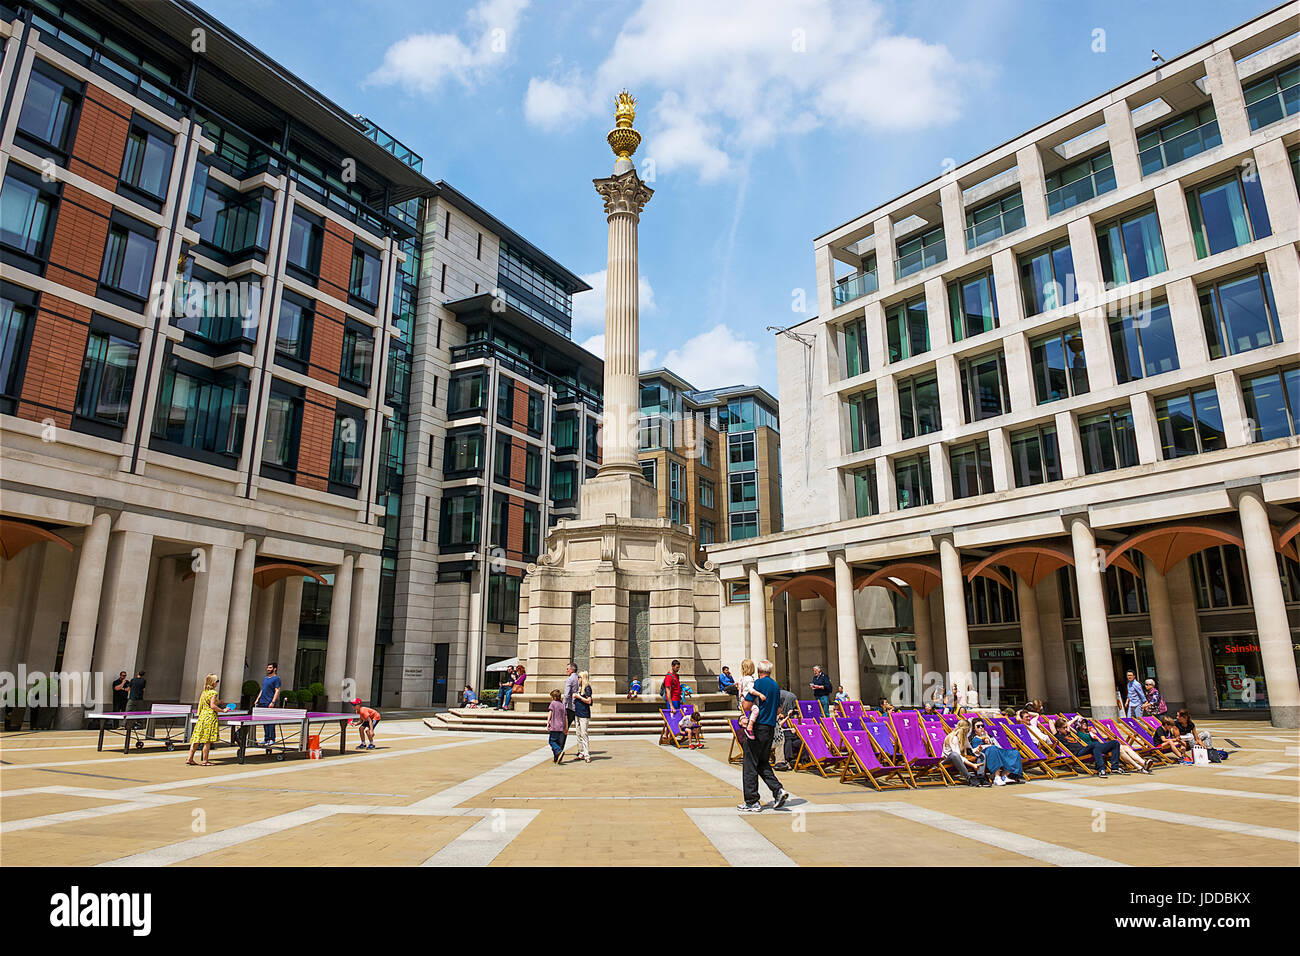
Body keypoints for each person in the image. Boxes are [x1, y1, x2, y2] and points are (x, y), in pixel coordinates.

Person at [738, 660, 793, 812]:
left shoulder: (759, 684)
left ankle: (752, 801)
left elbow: (746, 706)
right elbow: (778, 708)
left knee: (749, 763)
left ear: (759, 671)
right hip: (770, 727)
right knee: (762, 762)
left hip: (758, 727)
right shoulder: (775, 686)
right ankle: (778, 791)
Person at [1053, 717, 1120, 776]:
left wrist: (1066, 723)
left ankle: (1114, 767)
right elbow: (1050, 721)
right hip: (1078, 753)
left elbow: (1068, 726)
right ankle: (1101, 769)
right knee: (1094, 744)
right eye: (1064, 728)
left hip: (1085, 749)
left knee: (1115, 743)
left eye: (1066, 727)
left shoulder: (1069, 732)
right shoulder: (1057, 736)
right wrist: (1057, 721)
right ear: (1058, 729)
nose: (1066, 729)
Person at [969, 717, 1024, 785]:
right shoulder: (973, 738)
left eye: (982, 726)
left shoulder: (989, 736)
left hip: (995, 750)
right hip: (985, 754)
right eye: (978, 726)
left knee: (1015, 753)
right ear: (974, 729)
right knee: (993, 749)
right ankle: (997, 777)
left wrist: (989, 740)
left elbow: (998, 746)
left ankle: (1005, 775)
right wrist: (985, 746)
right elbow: (973, 750)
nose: (981, 728)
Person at [185, 674, 222, 766]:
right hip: (210, 717)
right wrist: (222, 710)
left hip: (202, 716)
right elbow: (212, 706)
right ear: (213, 683)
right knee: (207, 740)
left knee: (197, 738)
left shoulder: (204, 692)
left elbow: (204, 704)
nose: (217, 683)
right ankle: (205, 760)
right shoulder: (213, 693)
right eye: (217, 681)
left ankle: (190, 758)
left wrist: (217, 702)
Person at [942, 719, 986, 786]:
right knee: (955, 755)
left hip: (960, 758)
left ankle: (981, 777)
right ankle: (969, 777)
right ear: (965, 730)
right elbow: (958, 755)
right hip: (948, 759)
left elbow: (970, 750)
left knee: (981, 754)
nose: (968, 732)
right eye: (968, 730)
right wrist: (972, 765)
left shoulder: (964, 737)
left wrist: (977, 750)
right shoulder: (953, 738)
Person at [253, 662, 282, 748]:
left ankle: (271, 738)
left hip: (269, 702)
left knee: (270, 721)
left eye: (270, 668)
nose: (268, 669)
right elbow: (263, 689)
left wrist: (273, 702)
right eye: (268, 668)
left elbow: (277, 690)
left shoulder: (276, 679)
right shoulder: (265, 678)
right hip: (262, 702)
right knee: (264, 721)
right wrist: (257, 699)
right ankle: (266, 738)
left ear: (274, 669)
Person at [737, 659, 762, 739]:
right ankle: (750, 727)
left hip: (742, 699)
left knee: (751, 713)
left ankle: (751, 723)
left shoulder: (742, 678)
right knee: (756, 710)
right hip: (747, 700)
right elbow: (751, 690)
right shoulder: (749, 679)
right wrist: (760, 694)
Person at [572, 671, 593, 762]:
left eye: (579, 677)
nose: (578, 679)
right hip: (577, 712)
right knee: (578, 733)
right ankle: (581, 752)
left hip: (584, 713)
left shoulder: (587, 688)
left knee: (584, 734)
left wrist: (579, 697)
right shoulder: (579, 687)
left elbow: (589, 701)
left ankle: (587, 755)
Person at [546, 689, 567, 764]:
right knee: (557, 743)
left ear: (554, 697)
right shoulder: (562, 705)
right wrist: (566, 727)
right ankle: (556, 758)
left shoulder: (553, 703)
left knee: (551, 741)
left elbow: (550, 712)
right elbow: (565, 717)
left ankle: (559, 751)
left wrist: (548, 721)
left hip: (554, 726)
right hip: (561, 727)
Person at [563, 663, 580, 728]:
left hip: (570, 707)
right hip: (578, 706)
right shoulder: (579, 678)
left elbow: (566, 694)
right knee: (579, 728)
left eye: (567, 669)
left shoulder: (570, 679)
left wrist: (563, 705)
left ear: (572, 670)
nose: (566, 670)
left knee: (565, 727)